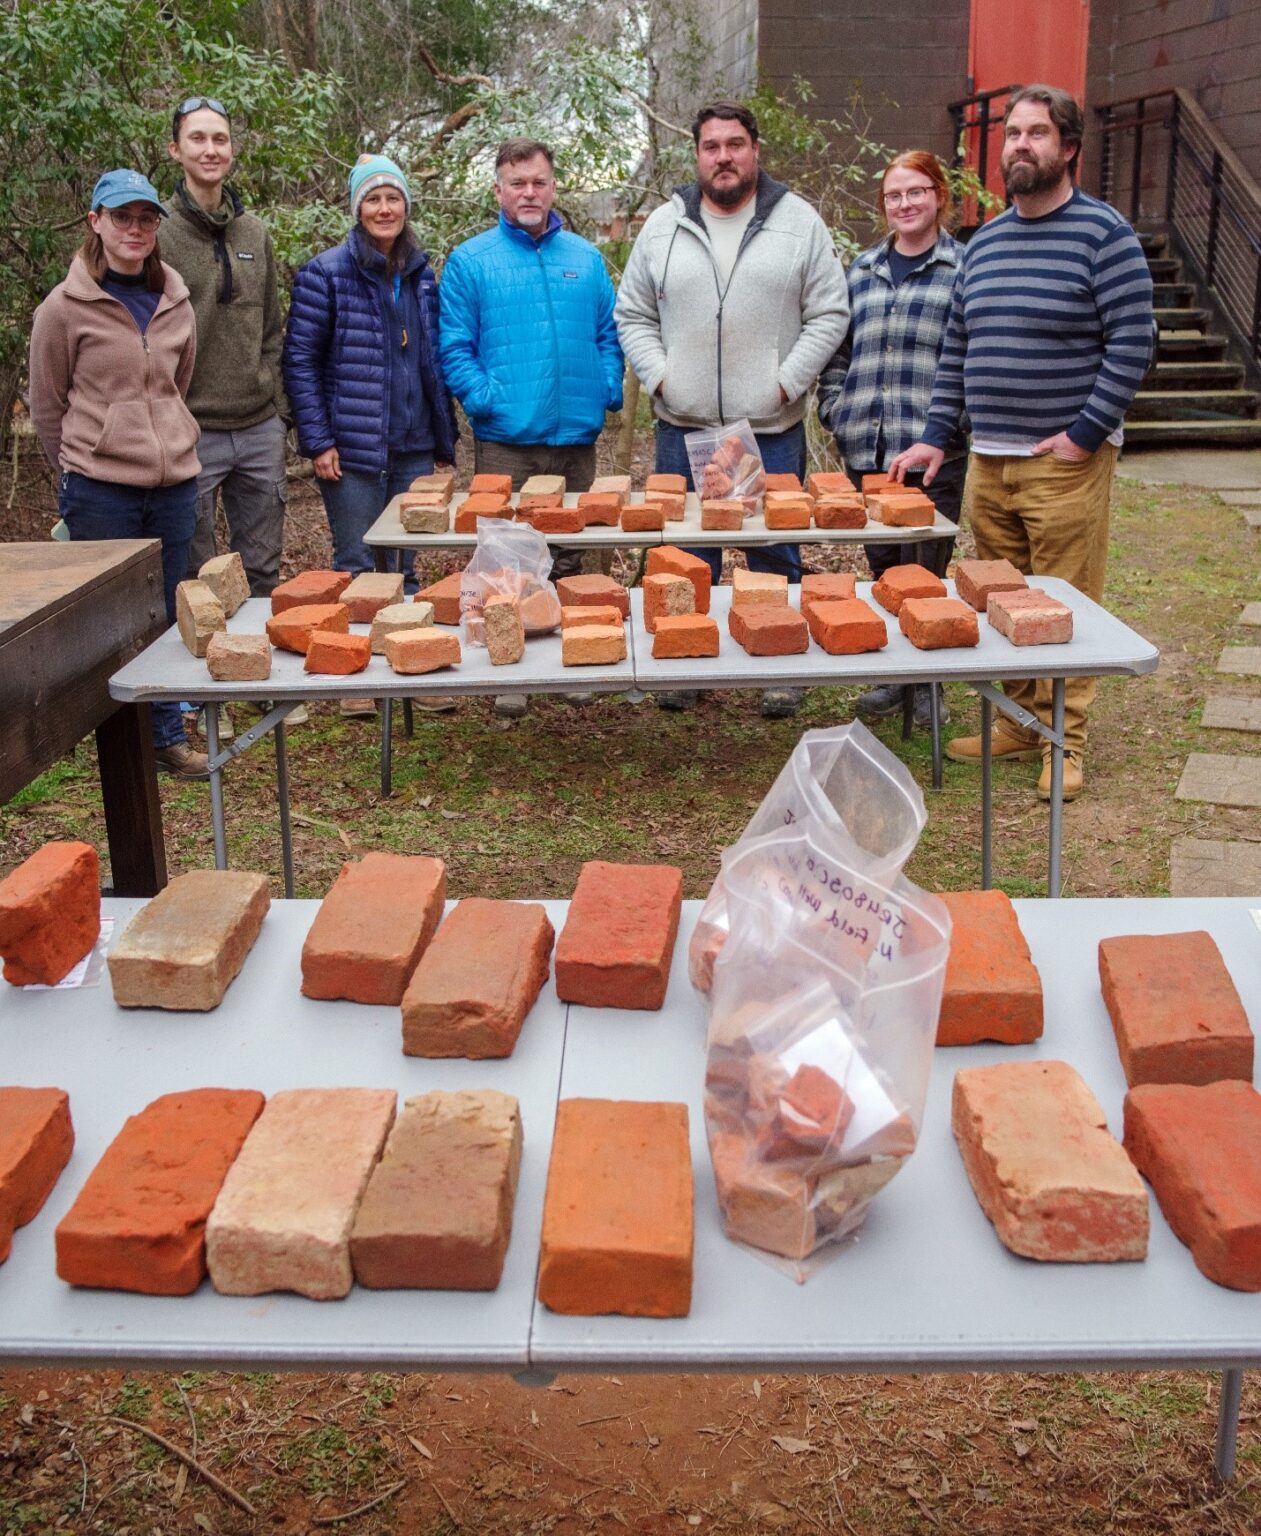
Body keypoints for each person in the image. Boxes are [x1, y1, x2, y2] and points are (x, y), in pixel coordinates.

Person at [892, 85, 1154, 801]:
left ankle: (1064, 740)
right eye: (1011, 133)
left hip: (1062, 464)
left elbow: (1133, 343)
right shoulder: (984, 243)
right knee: (1000, 597)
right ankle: (1015, 723)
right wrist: (935, 439)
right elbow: (957, 348)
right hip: (989, 461)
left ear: (1067, 148)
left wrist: (1083, 433)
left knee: (1062, 604)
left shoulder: (1105, 236)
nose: (1018, 145)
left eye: (1036, 133)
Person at [616, 99, 849, 716]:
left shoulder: (798, 222)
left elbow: (830, 312)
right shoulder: (663, 228)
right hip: (682, 426)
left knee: (772, 547)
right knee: (686, 553)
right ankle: (686, 662)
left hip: (769, 429)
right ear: (696, 155)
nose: (724, 156)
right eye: (712, 145)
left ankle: (778, 662)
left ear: (755, 150)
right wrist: (663, 380)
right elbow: (632, 313)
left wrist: (785, 383)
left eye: (735, 144)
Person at [29, 169, 207, 779]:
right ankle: (115, 744)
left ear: (157, 228)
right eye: (122, 217)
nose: (135, 229)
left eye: (146, 219)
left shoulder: (176, 299)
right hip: (100, 489)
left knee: (162, 611)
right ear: (96, 223)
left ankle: (163, 736)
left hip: (175, 485)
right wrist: (82, 466)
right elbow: (48, 404)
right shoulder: (62, 308)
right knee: (106, 622)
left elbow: (177, 386)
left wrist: (164, 438)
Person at [439, 137, 623, 719]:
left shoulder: (586, 259)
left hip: (575, 437)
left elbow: (607, 336)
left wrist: (605, 388)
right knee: (506, 558)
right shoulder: (472, 261)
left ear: (554, 187)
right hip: (506, 437)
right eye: (517, 183)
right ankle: (510, 668)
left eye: (539, 182)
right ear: (498, 189)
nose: (529, 192)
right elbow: (454, 348)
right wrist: (486, 400)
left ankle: (573, 657)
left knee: (570, 552)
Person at [283, 154, 458, 716]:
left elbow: (431, 361)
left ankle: (412, 667)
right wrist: (318, 440)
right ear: (357, 208)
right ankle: (354, 673)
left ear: (407, 206)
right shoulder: (324, 273)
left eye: (394, 198)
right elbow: (300, 363)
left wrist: (443, 444)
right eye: (373, 198)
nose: (384, 208)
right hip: (352, 450)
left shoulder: (421, 274)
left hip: (412, 446)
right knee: (357, 564)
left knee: (406, 567)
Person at [817, 150, 965, 730]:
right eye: (894, 196)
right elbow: (838, 351)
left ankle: (928, 681)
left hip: (931, 451)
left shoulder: (963, 267)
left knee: (925, 567)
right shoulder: (862, 269)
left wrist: (952, 428)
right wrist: (836, 409)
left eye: (917, 192)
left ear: (939, 195)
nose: (905, 204)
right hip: (868, 449)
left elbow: (971, 360)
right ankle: (894, 673)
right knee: (882, 565)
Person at [163, 94, 296, 740]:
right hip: (191, 428)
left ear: (231, 149)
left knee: (261, 562)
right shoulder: (157, 233)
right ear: (176, 150)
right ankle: (196, 696)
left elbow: (272, 326)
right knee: (197, 566)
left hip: (258, 424)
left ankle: (256, 676)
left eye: (220, 138)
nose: (210, 149)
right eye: (197, 139)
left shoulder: (255, 233)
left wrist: (273, 399)